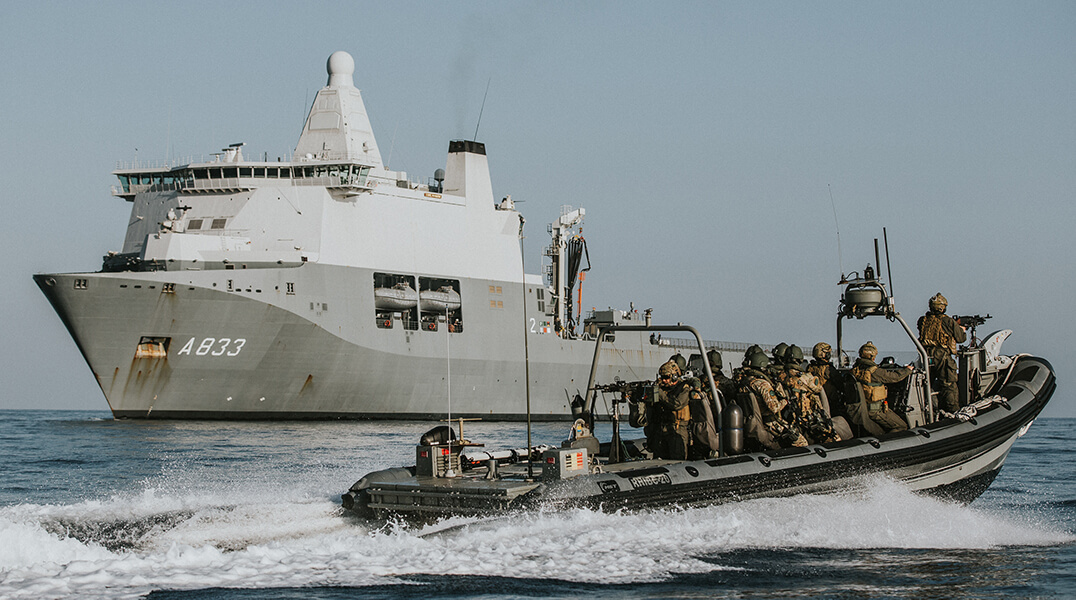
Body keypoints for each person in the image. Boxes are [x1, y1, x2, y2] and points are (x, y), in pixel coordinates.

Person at [740, 352, 808, 448]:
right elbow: (774, 408)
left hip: (753, 423)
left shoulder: (744, 384)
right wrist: (786, 400)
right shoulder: (763, 384)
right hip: (769, 424)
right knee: (801, 442)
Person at [917, 292, 967, 414]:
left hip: (926, 355)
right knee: (949, 385)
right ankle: (953, 411)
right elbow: (961, 338)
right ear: (942, 307)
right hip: (942, 356)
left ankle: (932, 409)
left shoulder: (922, 320)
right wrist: (962, 329)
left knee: (927, 384)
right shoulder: (948, 321)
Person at [780, 346, 841, 443]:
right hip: (806, 419)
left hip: (788, 419)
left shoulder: (779, 377)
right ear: (800, 360)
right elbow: (819, 390)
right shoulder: (807, 378)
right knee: (834, 438)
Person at [851, 341, 911, 433]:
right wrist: (907, 370)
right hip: (875, 410)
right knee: (901, 426)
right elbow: (895, 377)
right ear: (872, 356)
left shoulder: (855, 370)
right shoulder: (874, 372)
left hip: (862, 408)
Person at [649, 360, 692, 459]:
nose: (664, 380)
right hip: (662, 428)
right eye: (662, 378)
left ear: (674, 376)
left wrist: (660, 394)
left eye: (666, 378)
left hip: (677, 428)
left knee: (677, 458)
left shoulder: (683, 388)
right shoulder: (662, 388)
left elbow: (676, 405)